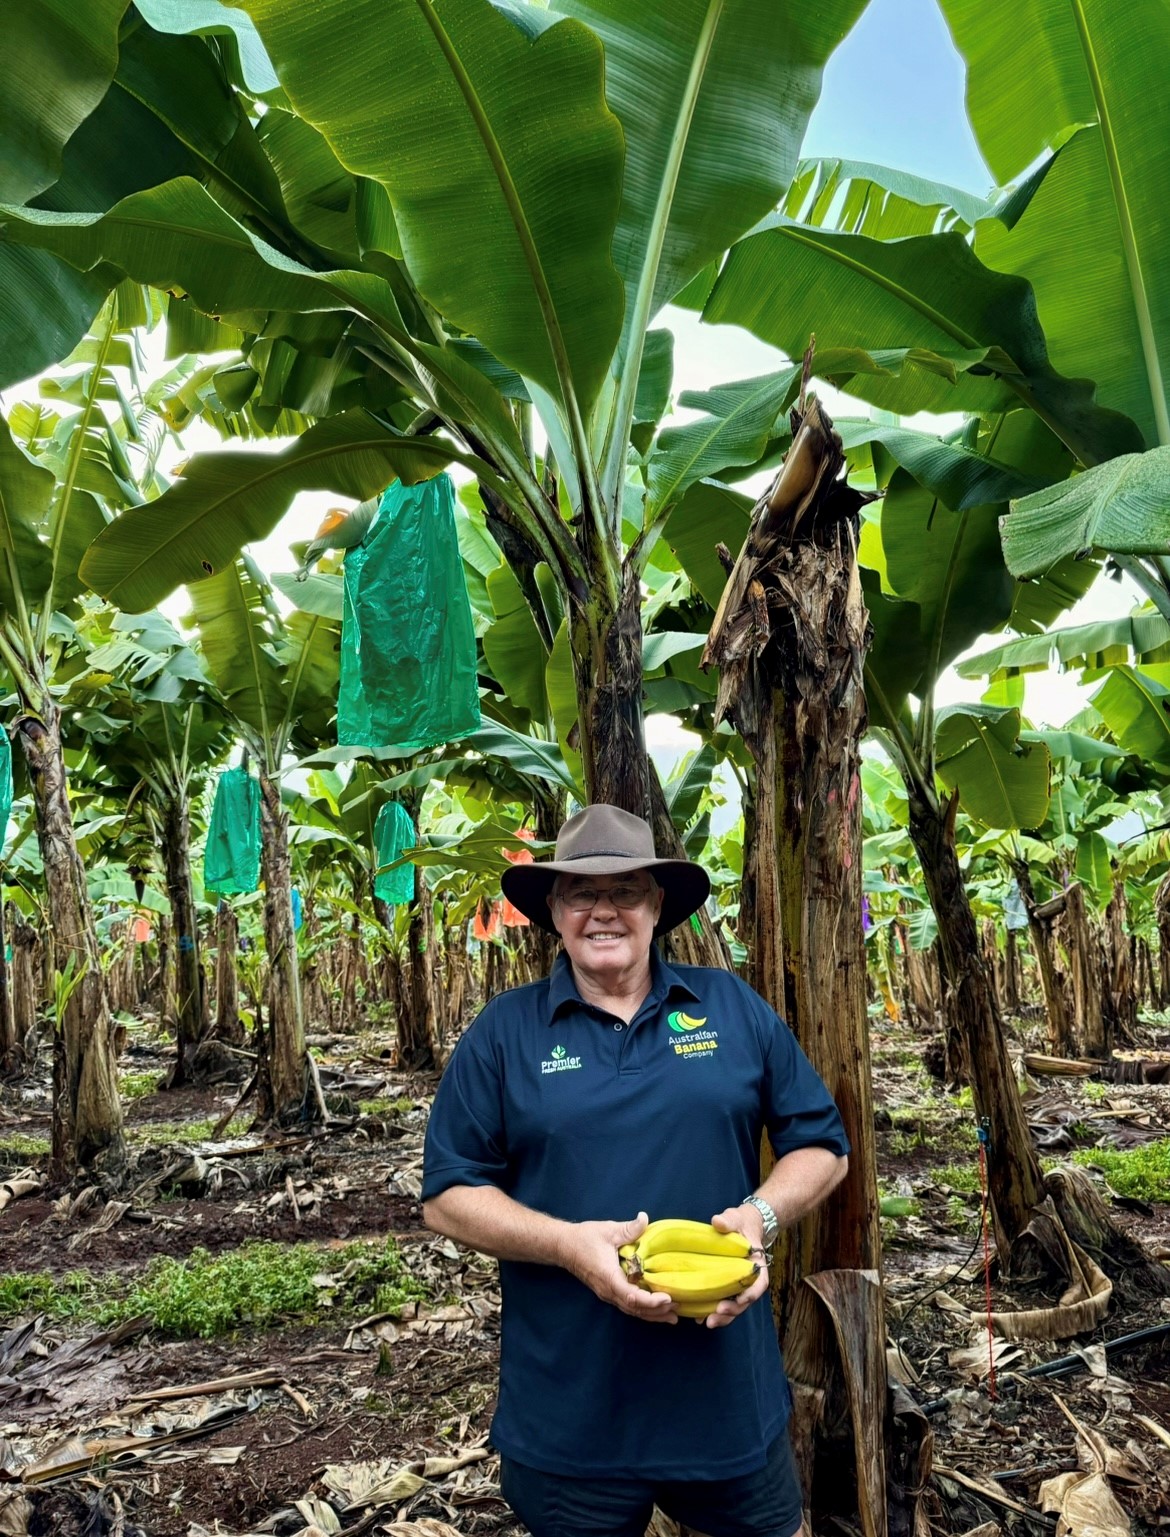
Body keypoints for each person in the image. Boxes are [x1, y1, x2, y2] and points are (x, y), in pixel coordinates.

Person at [422, 804, 850, 1537]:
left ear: (657, 905)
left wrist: (762, 1217)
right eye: (582, 893)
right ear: (554, 910)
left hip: (724, 1403)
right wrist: (566, 1245)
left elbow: (822, 1143)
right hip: (571, 1413)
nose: (604, 911)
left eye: (625, 890)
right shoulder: (504, 1033)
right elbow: (447, 1194)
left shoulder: (730, 1007)